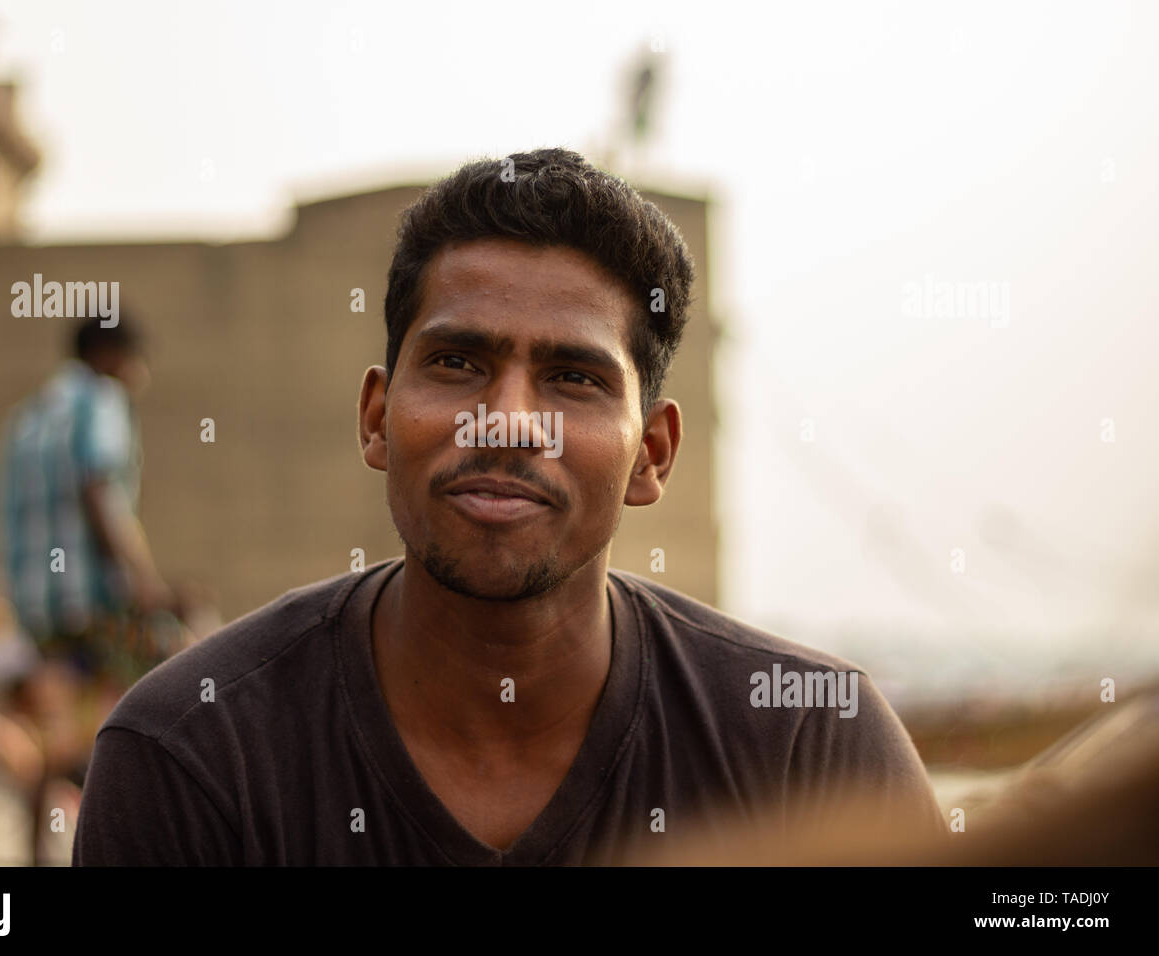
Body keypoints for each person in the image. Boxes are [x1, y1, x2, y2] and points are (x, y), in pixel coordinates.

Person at [73, 147, 945, 865]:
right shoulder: (193, 753)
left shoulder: (807, 748)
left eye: (574, 378)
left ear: (653, 453)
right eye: (457, 364)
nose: (508, 422)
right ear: (377, 419)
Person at [0, 314, 173, 691]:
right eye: (136, 360)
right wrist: (144, 580)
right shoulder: (101, 399)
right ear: (110, 356)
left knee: (74, 708)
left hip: (36, 607)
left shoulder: (29, 415)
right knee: (151, 694)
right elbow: (99, 491)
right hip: (92, 601)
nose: (141, 374)